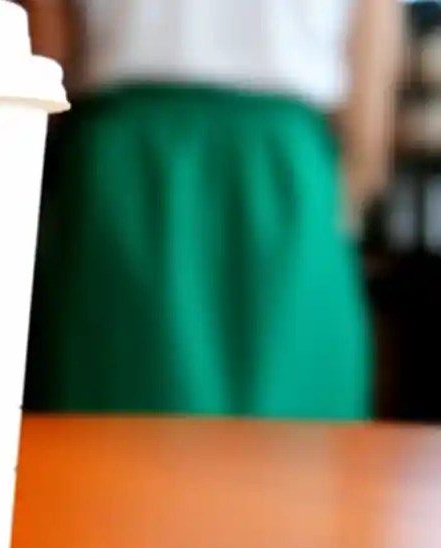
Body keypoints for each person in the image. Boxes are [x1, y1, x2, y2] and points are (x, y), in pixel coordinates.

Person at [22, 0, 403, 420]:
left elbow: (45, 50)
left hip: (127, 167)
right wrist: (354, 184)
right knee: (298, 448)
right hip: (286, 171)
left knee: (116, 433)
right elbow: (370, 83)